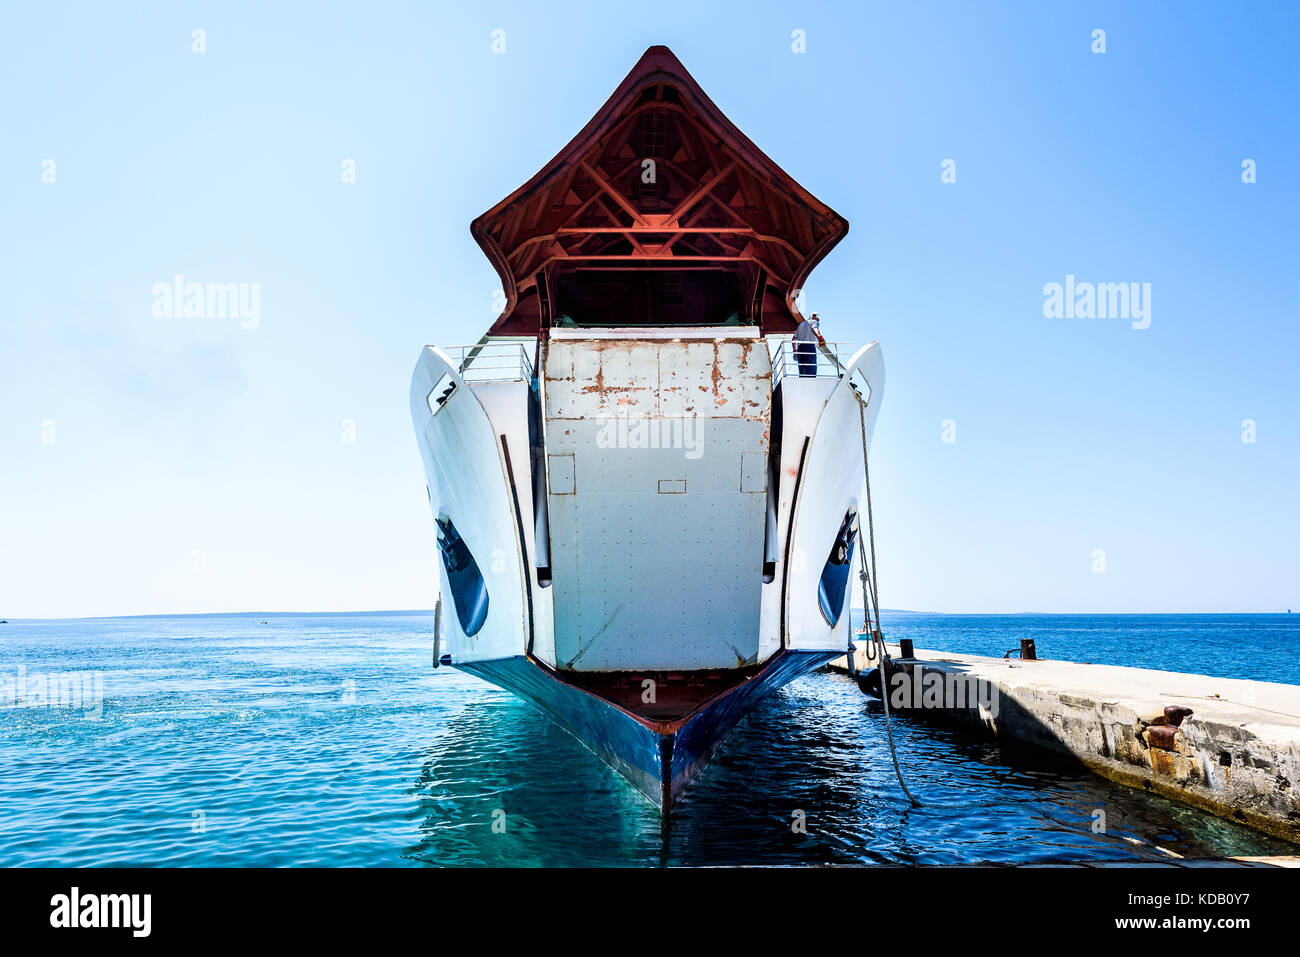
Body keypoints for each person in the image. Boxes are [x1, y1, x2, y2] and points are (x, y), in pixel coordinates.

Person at [793, 312, 822, 377]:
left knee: (802, 369)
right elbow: (815, 328)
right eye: (818, 319)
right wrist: (820, 338)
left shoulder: (801, 325)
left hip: (800, 348)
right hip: (809, 346)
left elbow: (794, 339)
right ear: (815, 317)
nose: (818, 321)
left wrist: (795, 351)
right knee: (811, 368)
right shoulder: (814, 322)